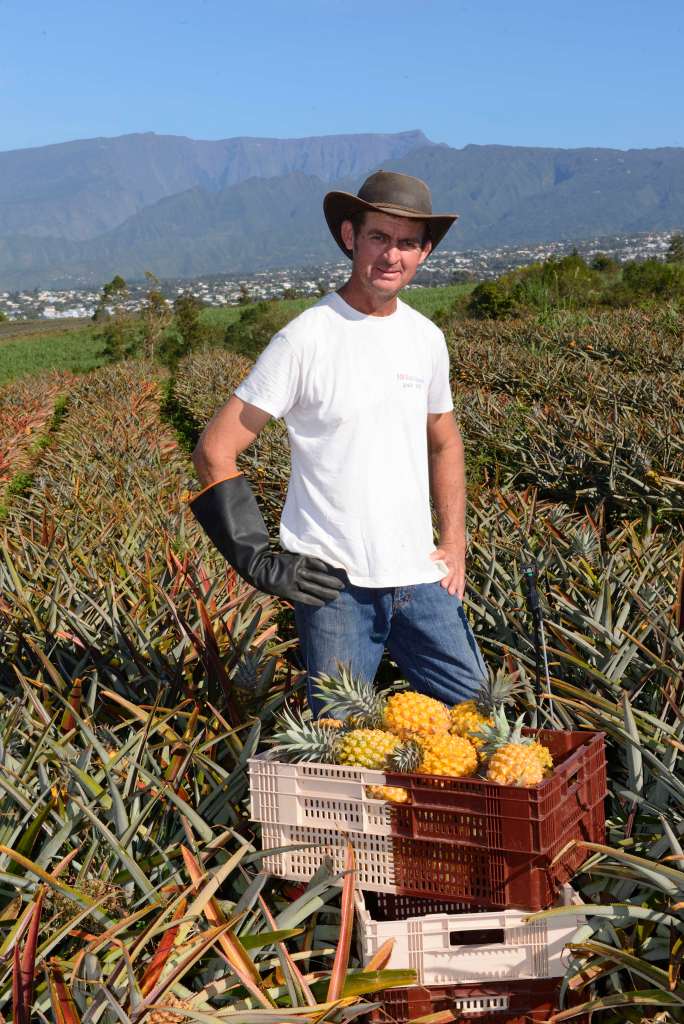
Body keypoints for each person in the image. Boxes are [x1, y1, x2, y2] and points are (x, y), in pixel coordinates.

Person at [190, 169, 486, 713]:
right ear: (350, 237)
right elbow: (215, 448)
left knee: (479, 720)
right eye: (379, 236)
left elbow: (444, 441)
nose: (391, 255)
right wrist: (258, 560)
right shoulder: (306, 338)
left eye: (407, 243)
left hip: (422, 578)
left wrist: (455, 544)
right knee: (342, 748)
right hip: (335, 589)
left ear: (423, 253)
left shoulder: (426, 338)